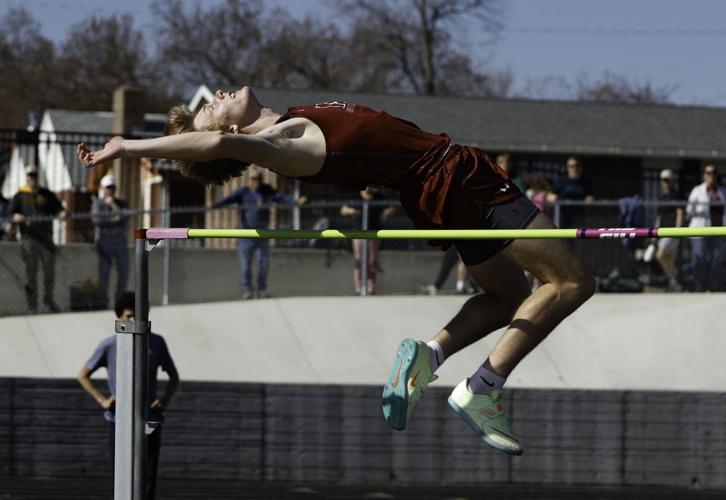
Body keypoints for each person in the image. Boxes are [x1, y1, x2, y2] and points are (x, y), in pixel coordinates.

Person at [77, 87, 596, 455]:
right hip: (457, 178)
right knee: (571, 281)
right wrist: (128, 145)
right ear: (232, 132)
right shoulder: (281, 145)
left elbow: (357, 153)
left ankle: (427, 356)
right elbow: (213, 145)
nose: (215, 93)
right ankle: (484, 387)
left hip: (439, 184)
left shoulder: (294, 124)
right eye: (212, 109)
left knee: (506, 295)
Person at [77, 291, 179, 500]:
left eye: (137, 316)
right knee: (122, 474)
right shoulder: (110, 344)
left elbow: (173, 376)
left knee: (148, 475)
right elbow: (83, 375)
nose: (133, 320)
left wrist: (164, 402)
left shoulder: (156, 342)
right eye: (128, 316)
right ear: (120, 318)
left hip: (149, 419)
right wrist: (103, 400)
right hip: (119, 420)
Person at [213, 168, 301, 299]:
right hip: (245, 234)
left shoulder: (267, 191)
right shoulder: (244, 192)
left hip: (262, 234)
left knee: (263, 263)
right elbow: (228, 199)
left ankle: (261, 289)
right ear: (250, 180)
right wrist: (215, 205)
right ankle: (247, 290)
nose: (257, 183)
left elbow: (281, 197)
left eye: (259, 179)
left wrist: (296, 202)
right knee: (245, 263)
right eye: (254, 180)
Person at [9, 164, 67, 313]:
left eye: (34, 175)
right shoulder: (20, 195)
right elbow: (11, 214)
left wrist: (62, 213)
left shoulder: (46, 194)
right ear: (26, 176)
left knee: (49, 273)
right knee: (30, 274)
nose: (32, 178)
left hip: (46, 238)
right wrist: (16, 217)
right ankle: (32, 306)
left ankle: (48, 302)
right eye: (29, 175)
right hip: (29, 239)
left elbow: (59, 209)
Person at [340, 186, 395, 294]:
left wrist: (386, 213)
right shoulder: (355, 196)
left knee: (372, 260)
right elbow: (343, 210)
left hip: (374, 232)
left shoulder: (378, 196)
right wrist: (350, 211)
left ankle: (371, 287)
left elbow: (390, 208)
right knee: (358, 259)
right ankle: (358, 287)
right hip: (358, 232)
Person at [686, 164, 726, 291]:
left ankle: (714, 285)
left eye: (713, 173)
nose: (711, 176)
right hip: (700, 230)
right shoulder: (697, 190)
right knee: (700, 257)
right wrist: (694, 204)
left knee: (717, 258)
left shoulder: (722, 192)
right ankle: (699, 285)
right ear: (704, 175)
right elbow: (688, 211)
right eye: (708, 173)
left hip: (717, 230)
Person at [91, 174, 129, 306]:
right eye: (108, 187)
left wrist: (114, 207)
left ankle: (119, 300)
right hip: (104, 242)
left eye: (112, 187)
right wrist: (113, 218)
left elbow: (124, 219)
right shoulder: (98, 204)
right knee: (104, 274)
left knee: (124, 272)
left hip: (120, 242)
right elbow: (98, 220)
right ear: (103, 188)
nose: (110, 190)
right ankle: (102, 301)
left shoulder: (121, 203)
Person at [654, 169, 685, 292]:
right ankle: (675, 282)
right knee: (668, 258)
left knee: (660, 255)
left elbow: (680, 213)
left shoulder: (676, 195)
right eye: (663, 180)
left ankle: (674, 281)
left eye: (667, 180)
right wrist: (654, 233)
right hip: (662, 231)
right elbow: (659, 217)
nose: (665, 183)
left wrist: (677, 231)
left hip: (672, 231)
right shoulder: (661, 197)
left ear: (672, 181)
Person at [551, 157, 594, 228]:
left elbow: (590, 196)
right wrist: (551, 197)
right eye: (571, 166)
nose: (574, 168)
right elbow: (551, 195)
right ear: (568, 168)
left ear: (580, 167)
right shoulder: (560, 181)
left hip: (579, 218)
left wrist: (590, 198)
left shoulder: (586, 182)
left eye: (577, 165)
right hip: (562, 218)